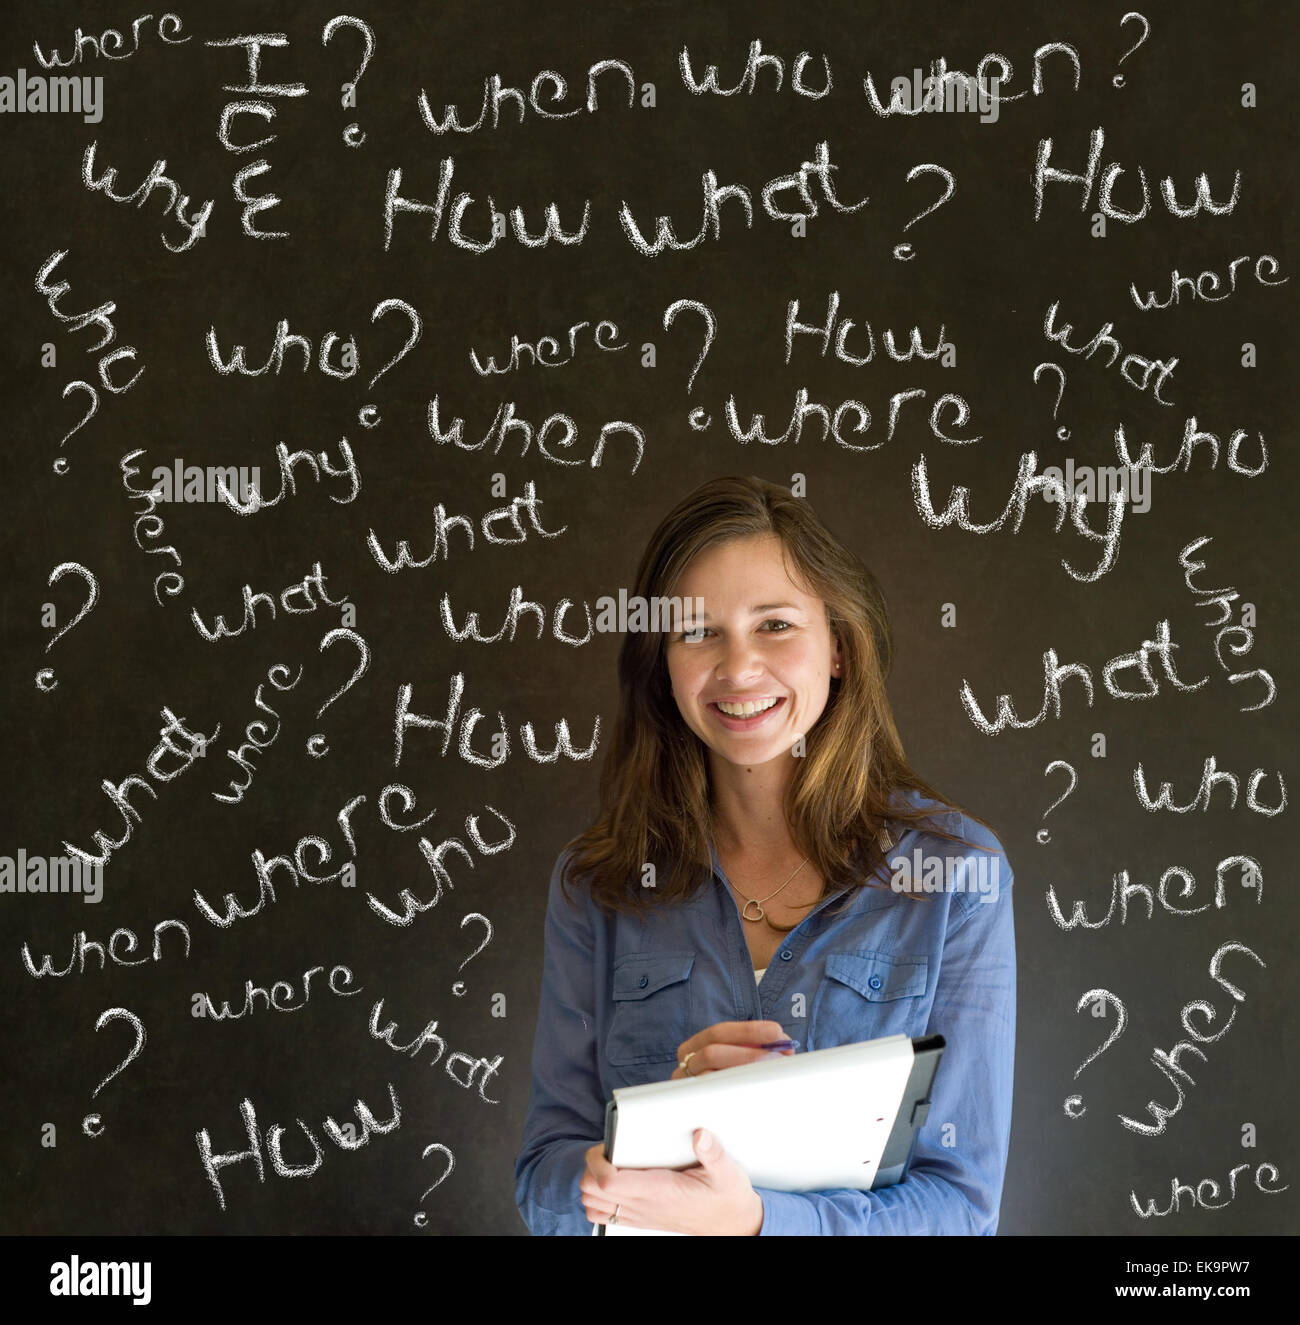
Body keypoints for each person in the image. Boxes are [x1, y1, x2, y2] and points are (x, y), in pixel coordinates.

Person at [514, 475, 1015, 1235]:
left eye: (775, 624)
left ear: (839, 646)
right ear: (664, 662)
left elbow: (961, 1206)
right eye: (697, 631)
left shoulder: (955, 874)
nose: (739, 667)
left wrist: (755, 1222)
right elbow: (545, 1179)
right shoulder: (598, 884)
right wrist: (645, 1147)